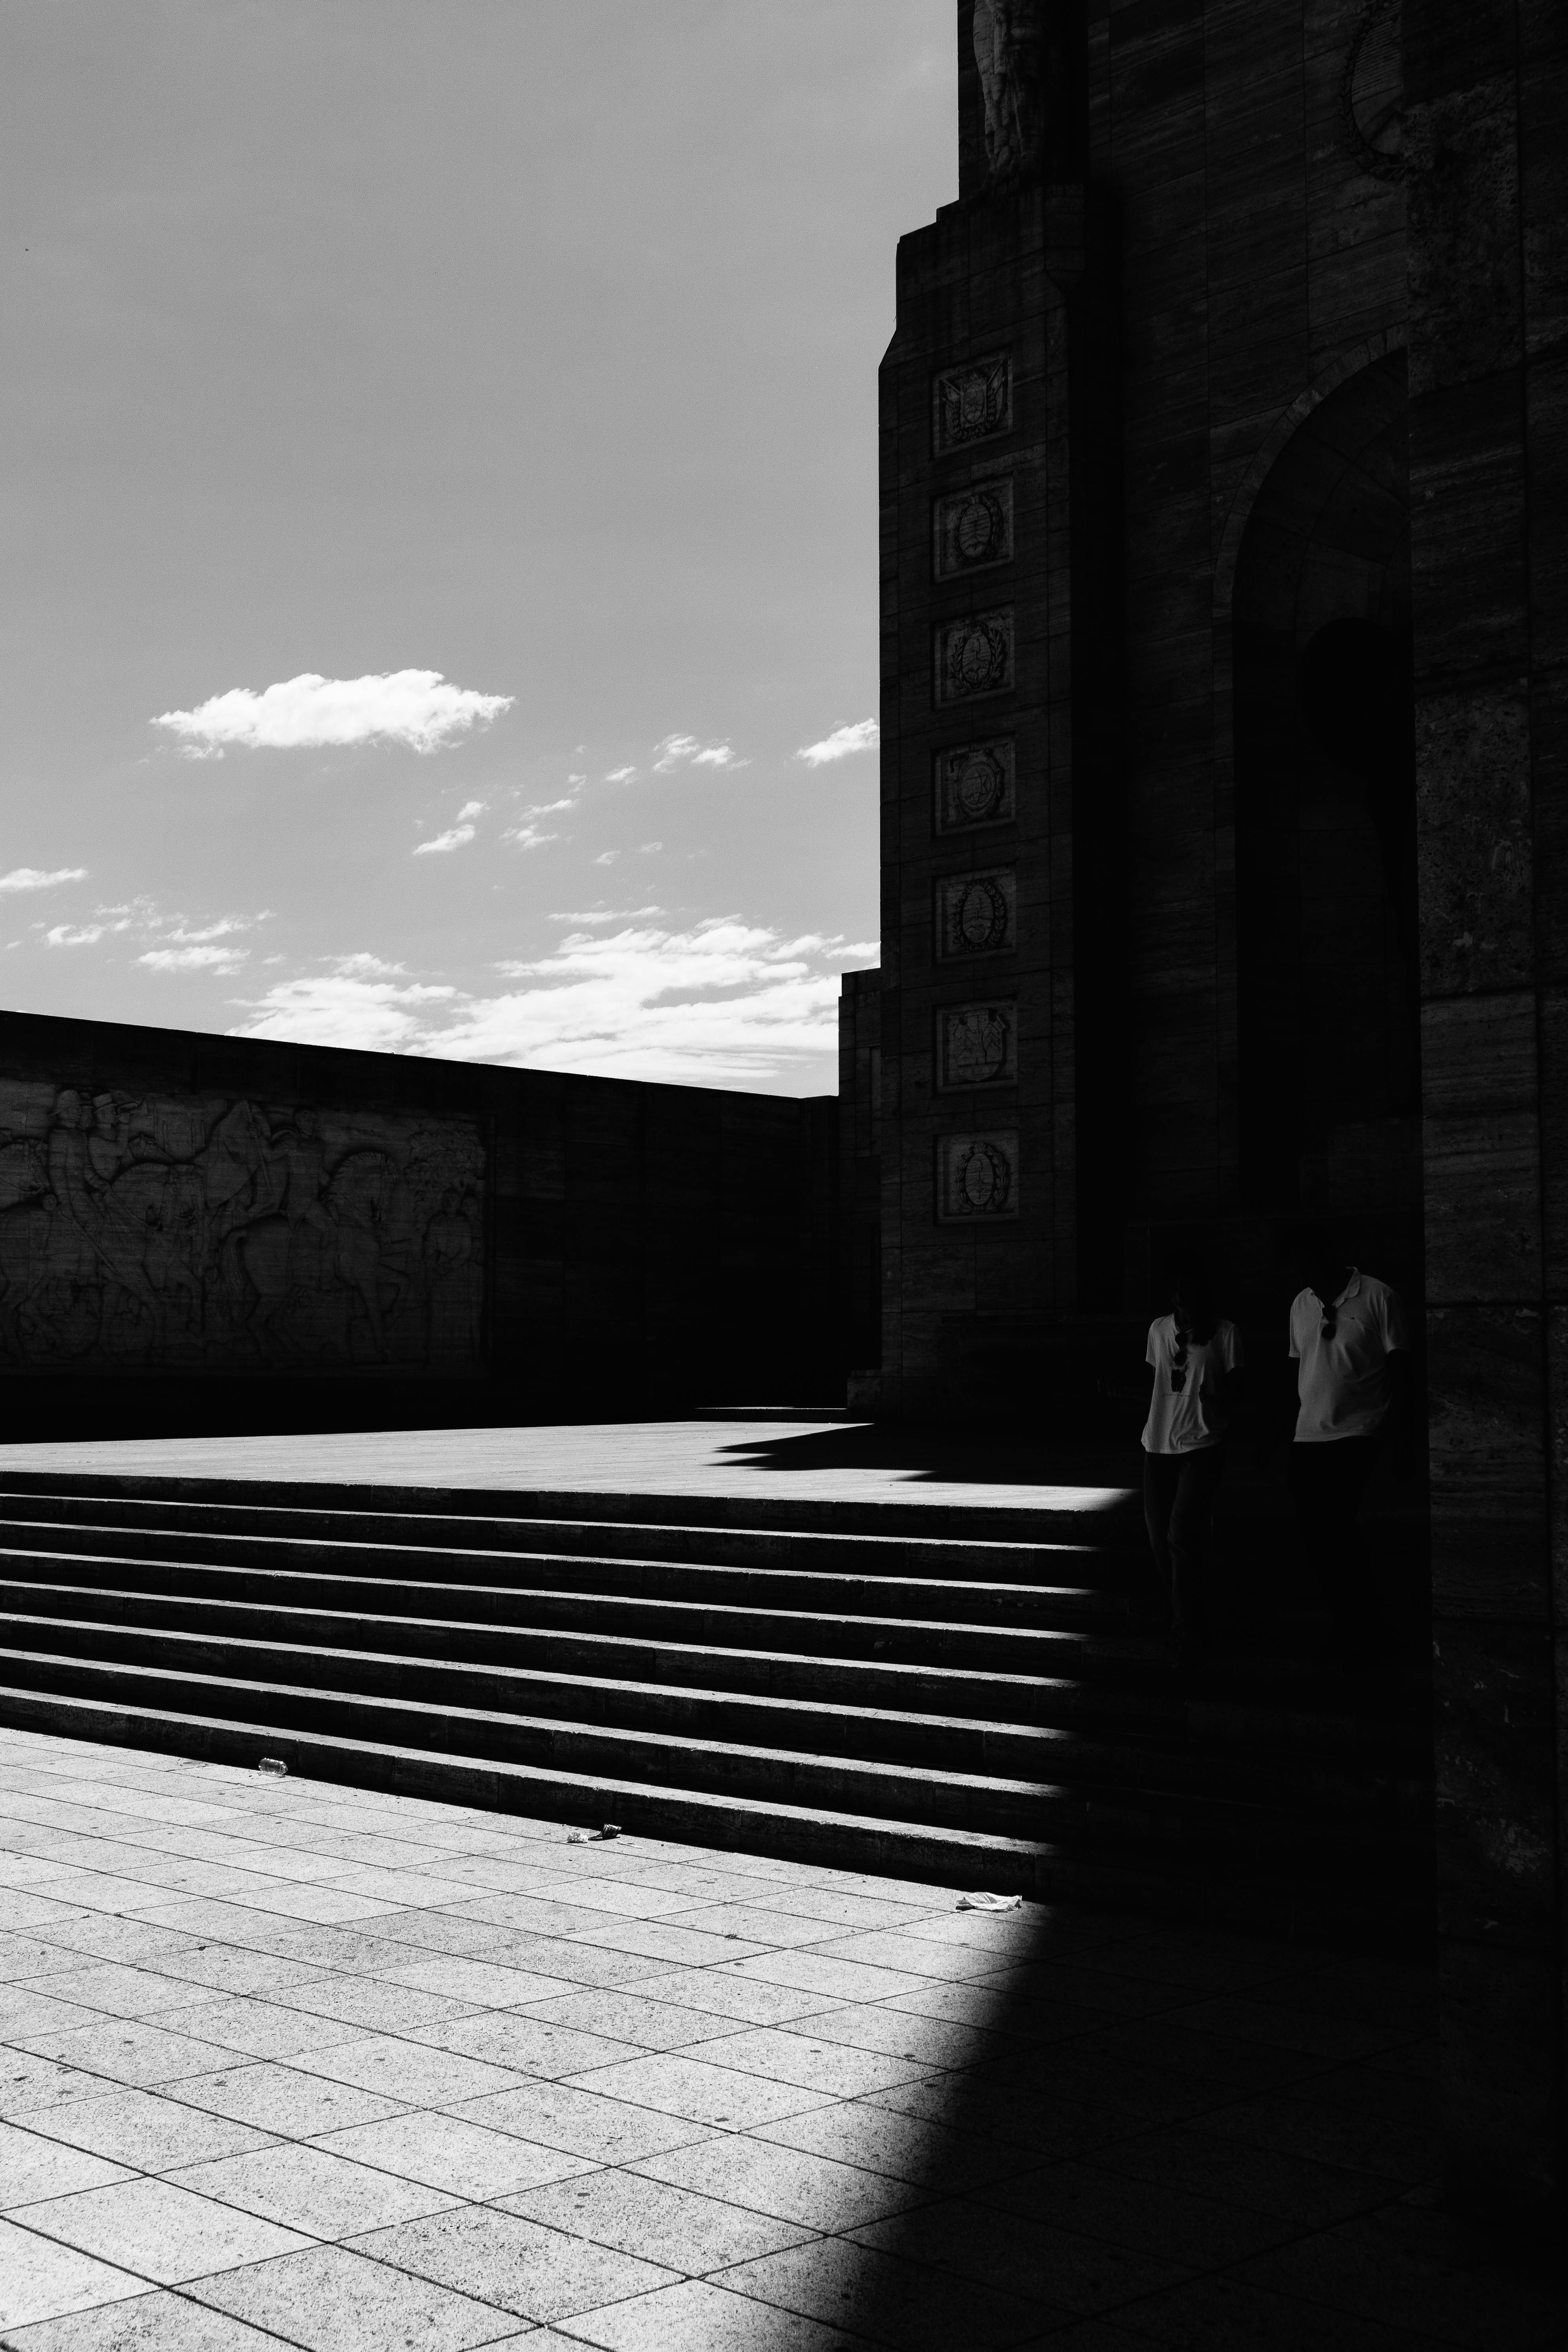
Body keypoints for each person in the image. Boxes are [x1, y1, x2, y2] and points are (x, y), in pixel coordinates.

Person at [1285, 1235, 1413, 1663]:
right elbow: (1298, 1369)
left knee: (1338, 1526)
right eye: (1298, 1269)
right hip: (1309, 1436)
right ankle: (1346, 1623)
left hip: (1361, 1429)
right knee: (1315, 1534)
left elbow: (1401, 1367)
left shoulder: (1378, 1296)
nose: (1303, 1277)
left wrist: (1399, 1436)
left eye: (1309, 1266)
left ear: (1331, 1261)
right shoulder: (1301, 1305)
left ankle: (1365, 1626)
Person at [1141, 1263, 1243, 1655]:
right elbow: (1159, 1382)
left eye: (1193, 1296)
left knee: (1181, 1536)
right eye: (1180, 1296)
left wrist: (1220, 1400)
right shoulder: (1158, 1330)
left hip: (1201, 1444)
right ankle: (1185, 1609)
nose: (1186, 1306)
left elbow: (1238, 1388)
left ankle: (1187, 1628)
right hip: (1158, 1444)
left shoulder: (1225, 1333)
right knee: (1159, 1538)